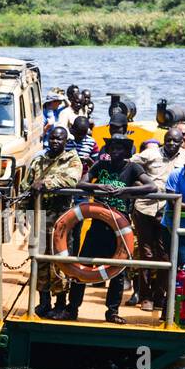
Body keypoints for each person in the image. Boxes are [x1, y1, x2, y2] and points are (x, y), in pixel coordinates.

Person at [66, 137, 156, 323]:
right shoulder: (101, 165)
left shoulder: (132, 168)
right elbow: (81, 184)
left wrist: (126, 191)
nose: (115, 151)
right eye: (112, 147)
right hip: (98, 225)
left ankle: (112, 312)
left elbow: (152, 186)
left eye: (120, 148)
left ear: (126, 152)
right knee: (82, 265)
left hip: (120, 228)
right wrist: (99, 186)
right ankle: (72, 307)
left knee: (118, 271)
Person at [26, 126, 83, 319]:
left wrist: (46, 184)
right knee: (40, 259)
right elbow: (27, 186)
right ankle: (44, 302)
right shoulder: (38, 161)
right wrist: (24, 214)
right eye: (52, 138)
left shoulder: (72, 160)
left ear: (66, 141)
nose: (55, 142)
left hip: (61, 219)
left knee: (60, 261)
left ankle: (60, 304)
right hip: (40, 217)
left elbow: (72, 180)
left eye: (59, 139)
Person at [130, 128, 185, 311]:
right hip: (145, 208)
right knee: (146, 253)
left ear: (182, 142)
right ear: (164, 140)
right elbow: (129, 167)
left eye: (175, 141)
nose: (171, 144)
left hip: (169, 213)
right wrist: (142, 184)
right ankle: (145, 296)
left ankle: (159, 295)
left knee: (165, 255)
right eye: (168, 140)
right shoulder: (151, 153)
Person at [162, 151, 185, 273]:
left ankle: (179, 291)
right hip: (173, 228)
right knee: (183, 266)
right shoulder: (175, 175)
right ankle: (175, 292)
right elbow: (174, 203)